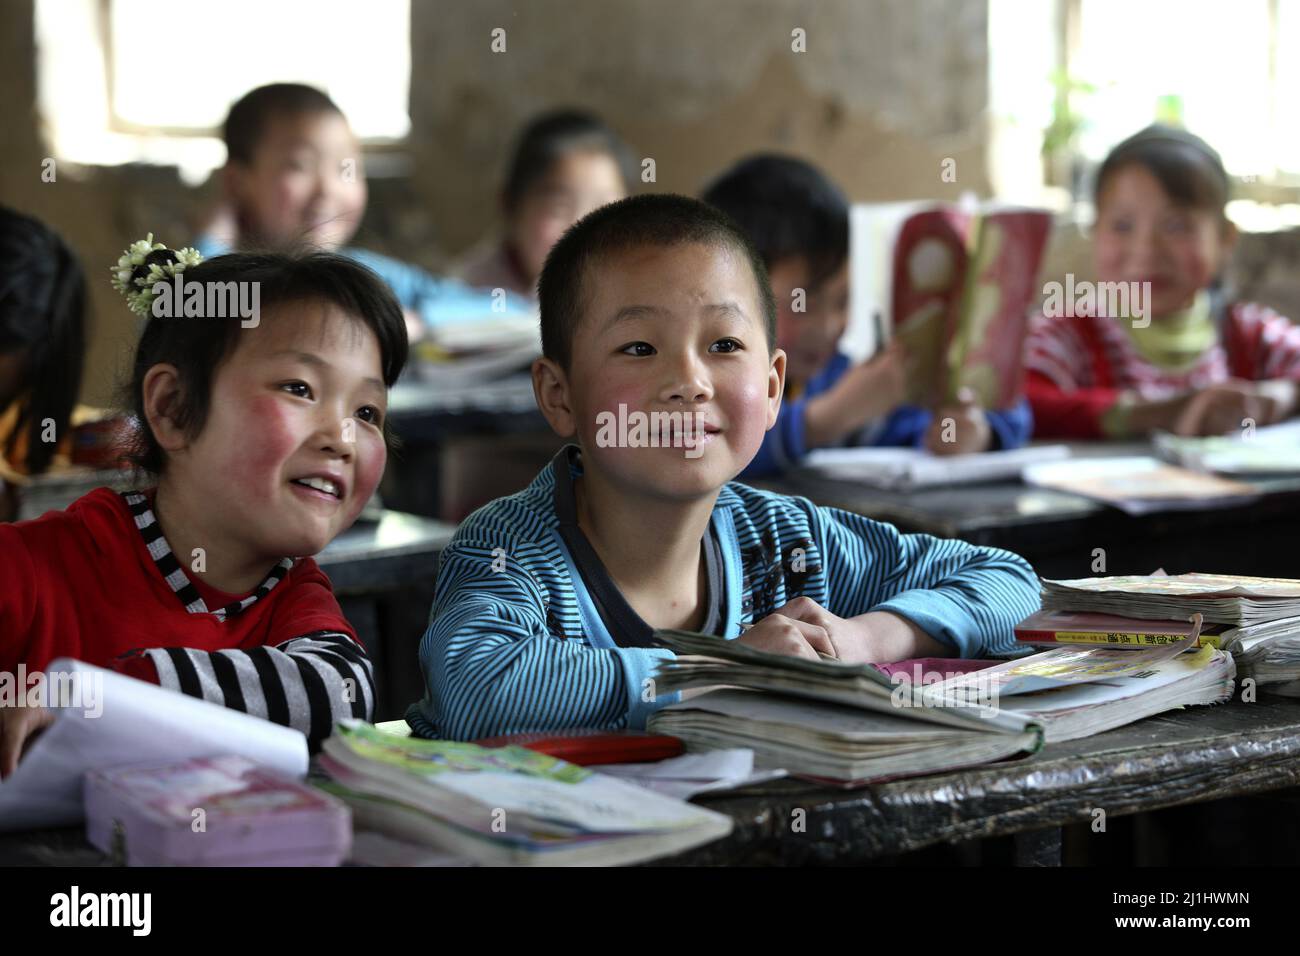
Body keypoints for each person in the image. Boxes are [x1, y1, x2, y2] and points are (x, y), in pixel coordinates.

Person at [407, 194, 1040, 741]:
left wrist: (868, 639)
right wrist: (725, 669)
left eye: (724, 345)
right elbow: (478, 688)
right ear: (559, 395)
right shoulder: (510, 551)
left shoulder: (788, 543)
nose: (689, 381)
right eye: (638, 347)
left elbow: (1012, 584)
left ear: (771, 389)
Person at [0, 237, 408, 774]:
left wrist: (98, 698)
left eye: (368, 412)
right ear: (172, 408)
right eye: (299, 388)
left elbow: (340, 695)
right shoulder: (33, 568)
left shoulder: (293, 596)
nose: (343, 437)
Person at [1026, 125, 1300, 439]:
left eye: (1177, 226)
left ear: (1225, 239)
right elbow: (1021, 404)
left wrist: (1279, 396)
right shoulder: (1063, 336)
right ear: (1095, 233)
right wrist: (1165, 413)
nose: (1147, 251)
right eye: (1122, 226)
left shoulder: (1248, 335)